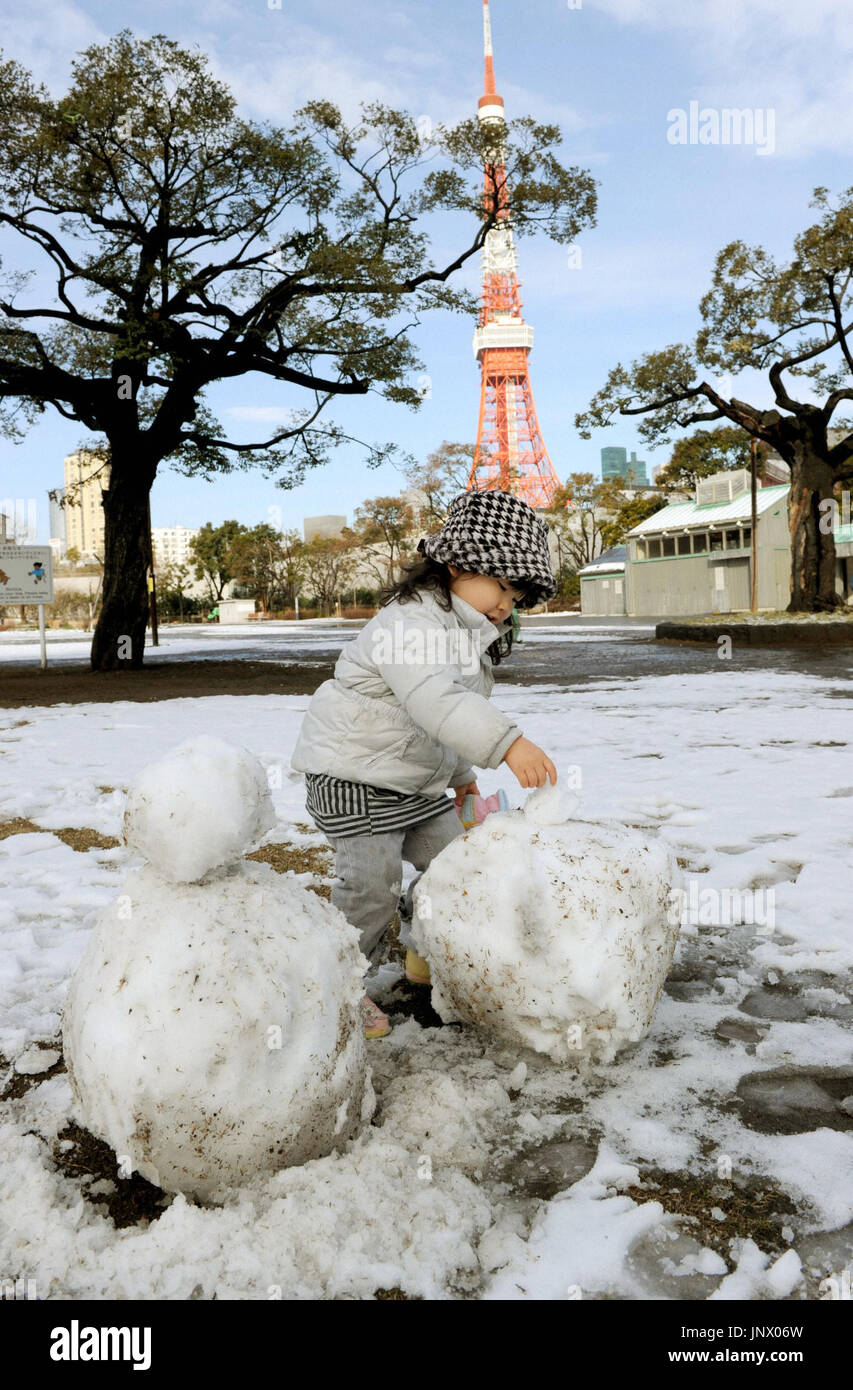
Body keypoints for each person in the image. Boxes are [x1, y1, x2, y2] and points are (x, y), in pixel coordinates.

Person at [289, 489, 559, 1038]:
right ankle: (335, 986)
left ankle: (420, 955)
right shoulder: (409, 622)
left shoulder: (468, 632)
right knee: (372, 888)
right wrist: (508, 744)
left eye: (518, 597)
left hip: (413, 786)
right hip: (355, 776)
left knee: (458, 866)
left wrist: (461, 778)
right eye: (502, 588)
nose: (507, 606)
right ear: (458, 564)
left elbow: (452, 716)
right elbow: (436, 700)